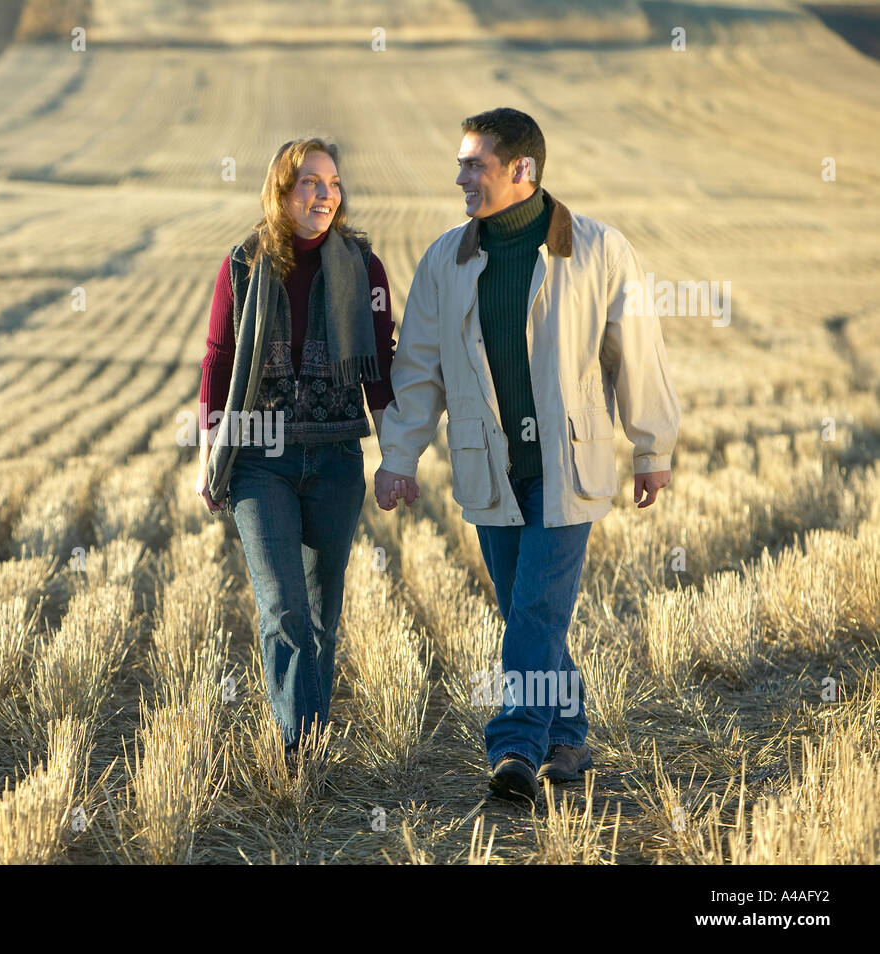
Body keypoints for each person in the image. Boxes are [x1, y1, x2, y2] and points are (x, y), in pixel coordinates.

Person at [374, 108, 680, 803]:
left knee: (538, 610)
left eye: (473, 164)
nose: (460, 177)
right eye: (460, 163)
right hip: (490, 468)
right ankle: (568, 737)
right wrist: (399, 456)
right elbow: (418, 367)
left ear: (523, 171)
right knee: (525, 612)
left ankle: (515, 745)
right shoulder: (446, 257)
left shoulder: (598, 249)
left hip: (570, 468)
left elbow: (635, 352)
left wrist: (651, 447)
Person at [195, 137, 396, 759]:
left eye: (333, 183)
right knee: (282, 606)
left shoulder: (363, 267)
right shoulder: (244, 264)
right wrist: (210, 452)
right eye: (309, 182)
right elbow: (220, 359)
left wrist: (397, 457)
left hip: (336, 457)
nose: (324, 194)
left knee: (319, 616)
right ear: (281, 191)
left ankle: (307, 740)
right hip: (260, 459)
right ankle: (302, 751)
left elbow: (380, 371)